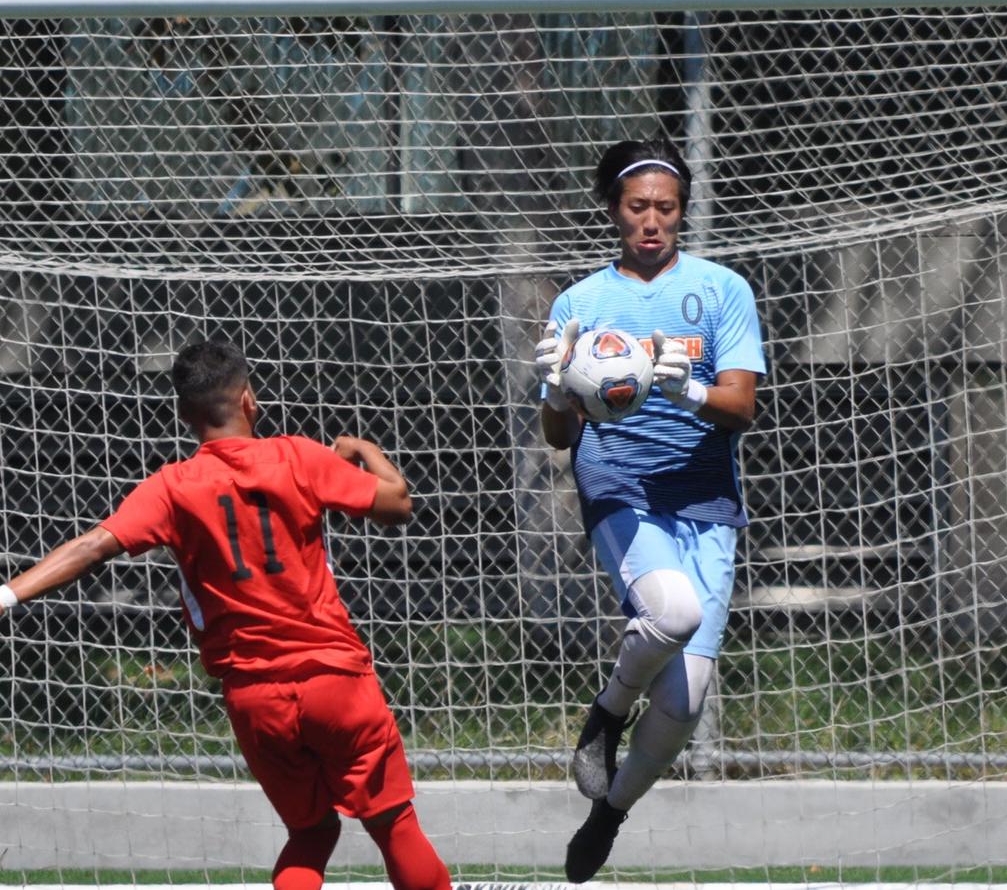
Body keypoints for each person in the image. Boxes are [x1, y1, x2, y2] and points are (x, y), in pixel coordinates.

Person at [0, 340, 450, 890]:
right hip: (334, 678)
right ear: (249, 399)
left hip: (255, 697)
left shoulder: (171, 487)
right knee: (393, 824)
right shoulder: (299, 456)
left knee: (311, 834)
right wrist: (361, 448)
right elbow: (398, 504)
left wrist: (9, 594)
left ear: (186, 415)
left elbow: (94, 545)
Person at [534, 138, 766, 883]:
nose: (653, 221)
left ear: (681, 213)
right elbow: (562, 435)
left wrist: (682, 389)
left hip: (704, 499)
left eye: (667, 208)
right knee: (671, 613)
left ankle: (609, 811)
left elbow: (741, 406)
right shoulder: (580, 304)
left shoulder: (723, 289)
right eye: (639, 207)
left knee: (687, 697)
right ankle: (603, 715)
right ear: (613, 210)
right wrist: (557, 392)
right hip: (621, 488)